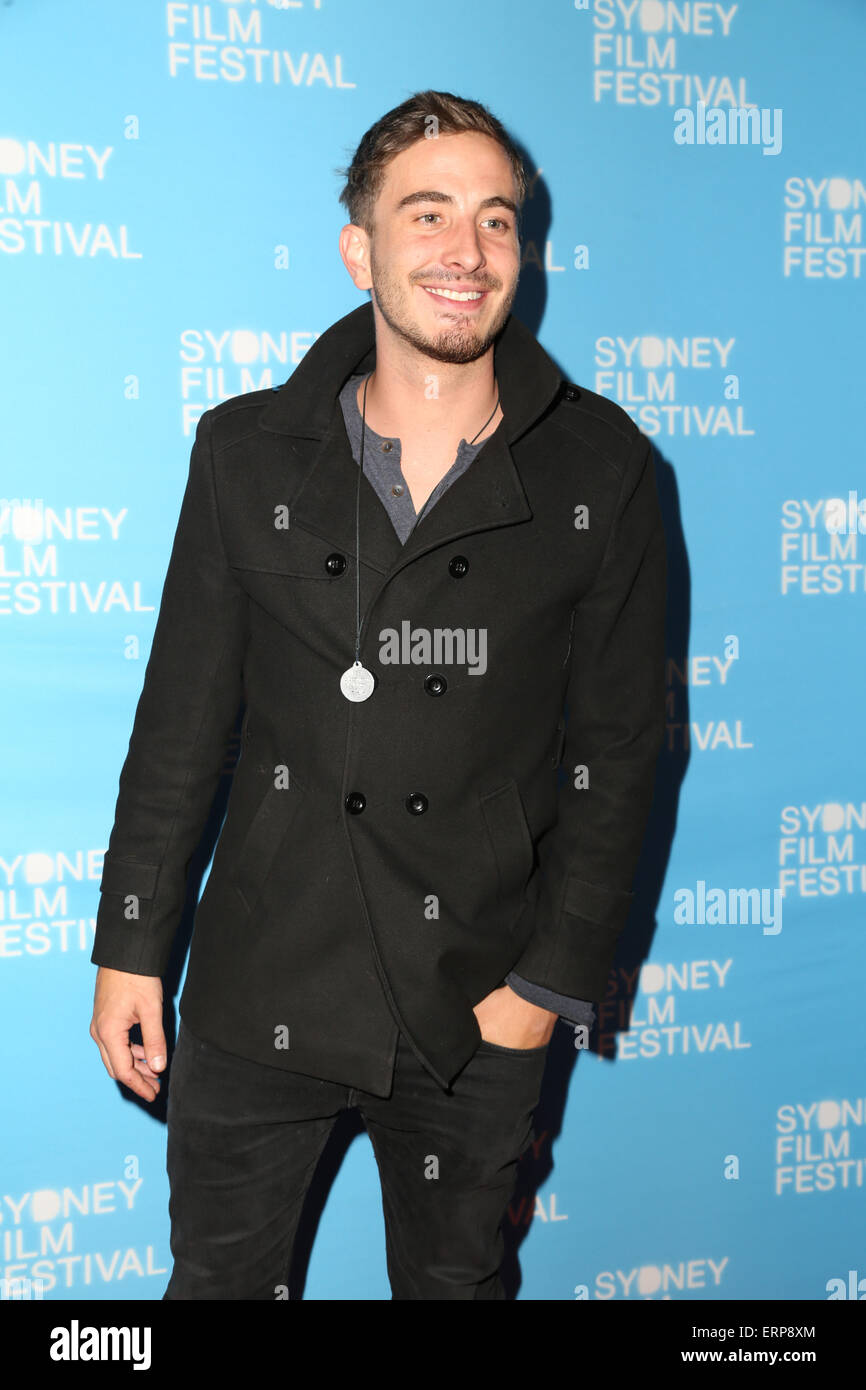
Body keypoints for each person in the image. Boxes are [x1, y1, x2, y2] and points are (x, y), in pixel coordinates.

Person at [90, 89, 667, 1300]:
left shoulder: (603, 470)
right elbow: (181, 718)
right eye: (427, 214)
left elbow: (617, 756)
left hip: (476, 1002)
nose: (465, 253)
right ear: (360, 249)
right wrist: (133, 945)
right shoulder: (245, 452)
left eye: (496, 221)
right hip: (261, 989)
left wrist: (543, 990)